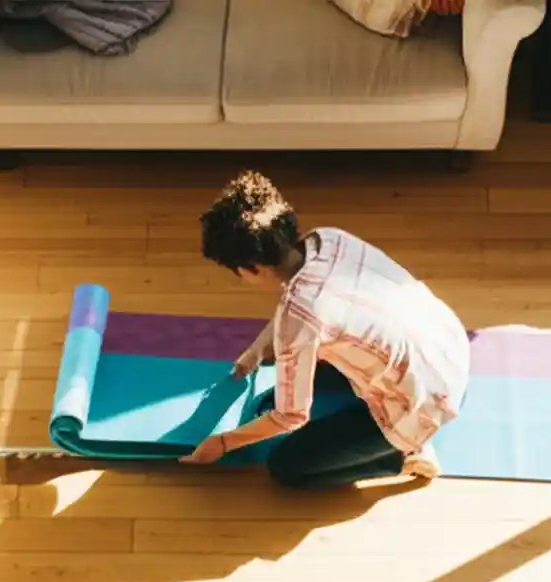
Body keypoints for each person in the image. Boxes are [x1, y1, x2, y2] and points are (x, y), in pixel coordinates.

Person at [180, 170, 471, 489]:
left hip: (421, 403)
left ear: (253, 269)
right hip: (448, 348)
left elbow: (291, 416)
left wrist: (223, 443)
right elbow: (304, 304)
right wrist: (259, 348)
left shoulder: (301, 318)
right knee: (299, 370)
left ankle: (406, 456)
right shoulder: (328, 239)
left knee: (286, 467)